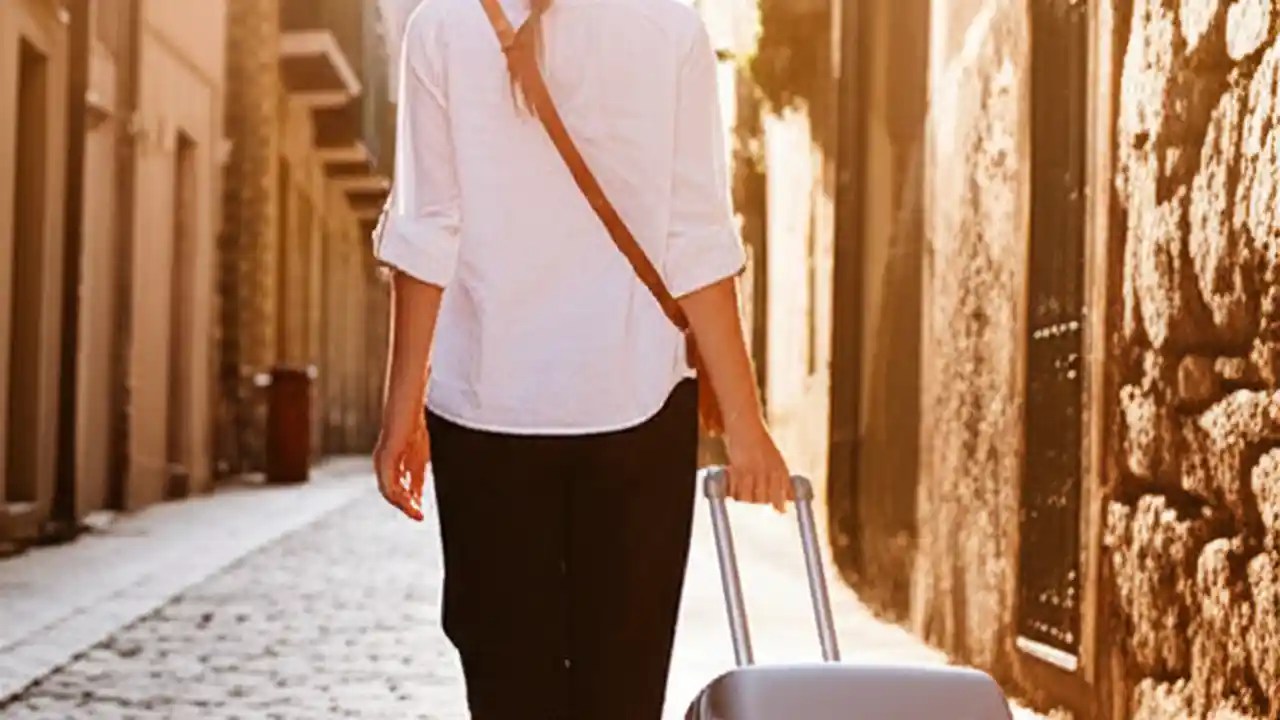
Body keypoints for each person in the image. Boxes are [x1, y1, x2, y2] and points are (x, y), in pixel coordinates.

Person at [371, 0, 792, 716]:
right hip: (638, 407)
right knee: (623, 692)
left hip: (485, 411)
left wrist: (401, 411)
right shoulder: (670, 26)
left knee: (509, 689)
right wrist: (746, 428)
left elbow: (426, 234)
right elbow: (698, 242)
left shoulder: (440, 25)